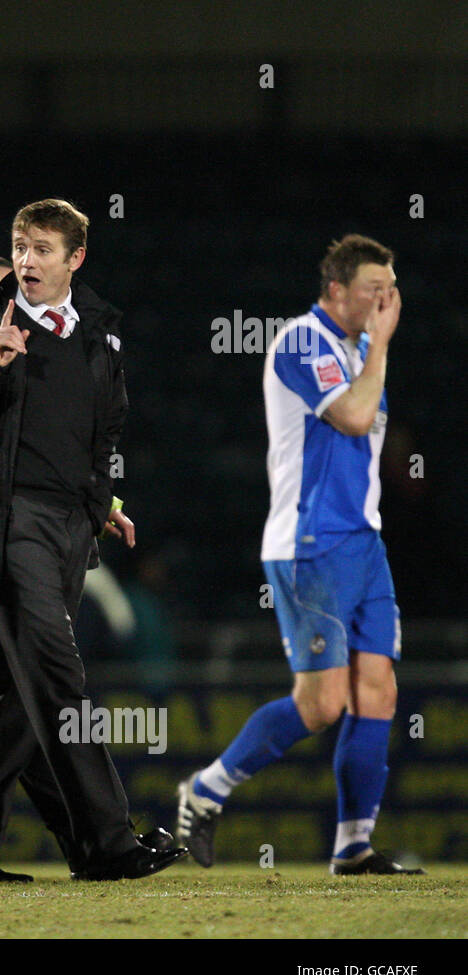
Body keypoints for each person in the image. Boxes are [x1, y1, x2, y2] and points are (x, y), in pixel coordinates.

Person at [0, 198, 185, 880]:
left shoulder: (100, 332)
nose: (26, 261)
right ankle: (110, 841)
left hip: (71, 526)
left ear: (75, 259)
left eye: (42, 250)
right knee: (59, 671)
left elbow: (102, 432)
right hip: (8, 522)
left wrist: (103, 502)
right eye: (21, 247)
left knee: (15, 697)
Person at [177, 234, 420, 875]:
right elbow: (354, 418)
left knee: (379, 691)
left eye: (390, 288)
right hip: (310, 543)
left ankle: (354, 844)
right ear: (336, 290)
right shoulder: (301, 342)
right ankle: (205, 790)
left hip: (364, 543)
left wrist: (375, 348)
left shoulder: (361, 349)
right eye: (374, 287)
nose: (386, 299)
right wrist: (382, 348)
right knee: (321, 704)